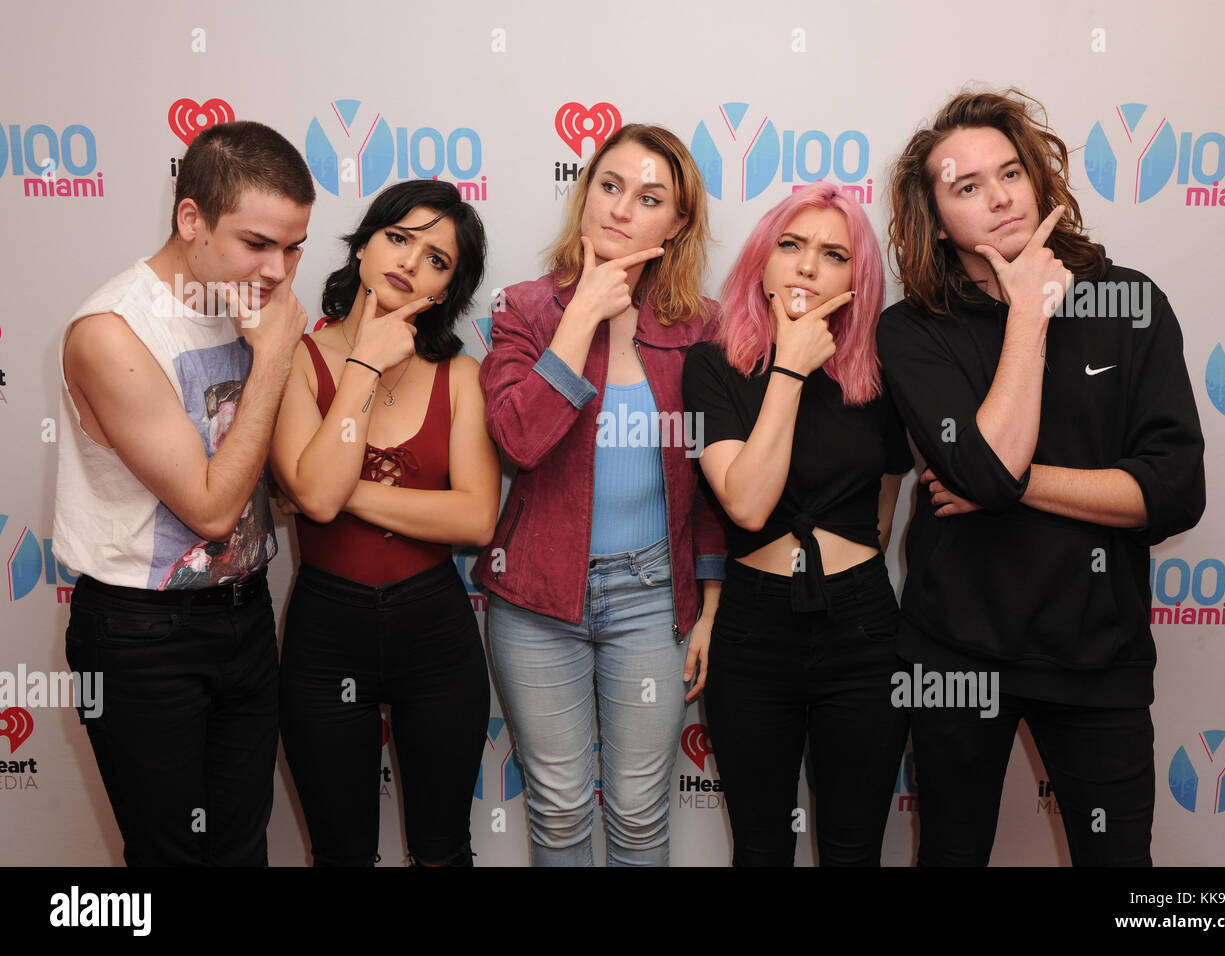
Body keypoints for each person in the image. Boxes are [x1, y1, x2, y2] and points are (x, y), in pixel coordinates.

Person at [878, 89, 1206, 866]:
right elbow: (983, 470)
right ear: (935, 215)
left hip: (1098, 657)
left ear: (1038, 179)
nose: (998, 198)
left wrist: (1016, 484)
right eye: (966, 186)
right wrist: (1027, 311)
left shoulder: (1130, 303)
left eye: (1011, 173)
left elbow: (1173, 493)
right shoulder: (912, 330)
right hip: (955, 655)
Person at [54, 120, 314, 865]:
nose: (277, 269)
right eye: (257, 243)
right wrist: (272, 358)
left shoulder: (250, 304)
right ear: (190, 218)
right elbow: (207, 509)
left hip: (244, 613)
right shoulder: (114, 331)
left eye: (293, 246)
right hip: (144, 638)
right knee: (174, 857)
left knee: (239, 850)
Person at [476, 124, 725, 866]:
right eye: (609, 187)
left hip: (654, 598)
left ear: (677, 223)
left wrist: (710, 604)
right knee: (555, 808)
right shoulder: (523, 310)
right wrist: (582, 312)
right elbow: (518, 440)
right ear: (585, 194)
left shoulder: (702, 328)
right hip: (536, 600)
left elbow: (711, 482)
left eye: (649, 198)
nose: (620, 210)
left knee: (642, 813)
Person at [682, 181, 911, 866]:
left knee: (851, 850)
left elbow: (885, 503)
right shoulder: (711, 363)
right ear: (763, 259)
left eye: (833, 254)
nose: (808, 266)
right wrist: (787, 367)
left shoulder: (884, 369)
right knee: (760, 850)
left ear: (858, 276)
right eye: (791, 245)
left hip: (864, 630)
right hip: (754, 632)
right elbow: (746, 505)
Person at [269, 180, 497, 867]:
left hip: (436, 632)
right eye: (399, 238)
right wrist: (365, 362)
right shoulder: (298, 361)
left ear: (450, 287)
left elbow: (475, 516)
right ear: (365, 244)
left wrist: (341, 491)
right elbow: (312, 493)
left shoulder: (459, 373)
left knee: (442, 851)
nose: (408, 261)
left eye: (437, 258)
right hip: (325, 633)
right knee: (340, 854)